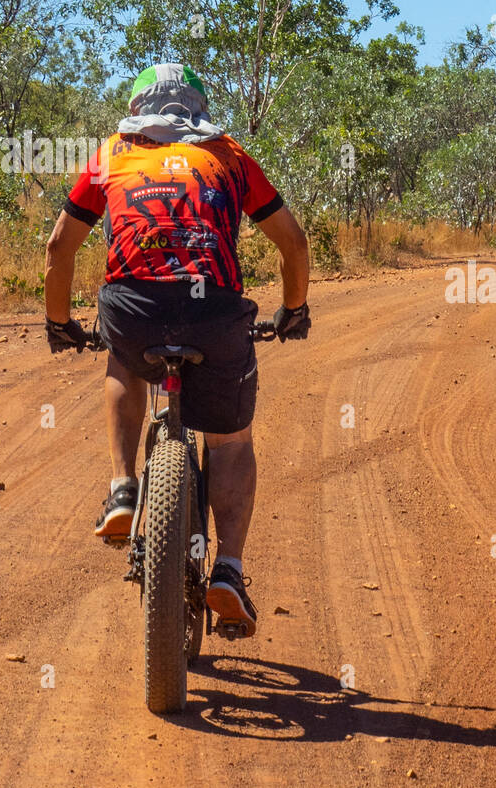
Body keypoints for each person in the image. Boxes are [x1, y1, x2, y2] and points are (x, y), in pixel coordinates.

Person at [42, 63, 310, 637]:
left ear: (138, 108)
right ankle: (231, 571)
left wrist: (59, 322)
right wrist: (294, 309)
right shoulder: (228, 154)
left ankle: (122, 487)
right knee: (232, 442)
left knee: (122, 354)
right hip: (214, 310)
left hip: (136, 310)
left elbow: (59, 245)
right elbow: (293, 240)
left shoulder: (115, 150)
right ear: (200, 110)